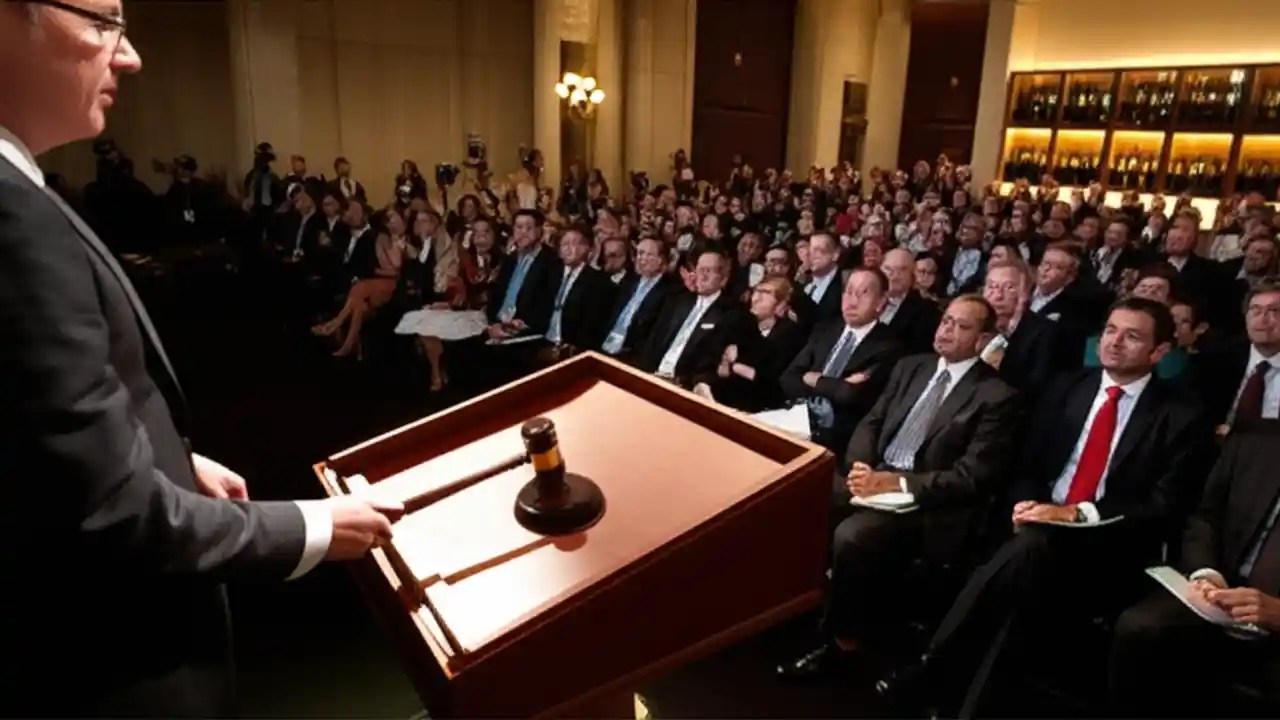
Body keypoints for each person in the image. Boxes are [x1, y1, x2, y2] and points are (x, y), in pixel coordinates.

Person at [0, 2, 400, 715]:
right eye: (103, 21)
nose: (129, 56)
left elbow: (37, 439)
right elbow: (108, 516)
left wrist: (167, 462)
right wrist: (315, 526)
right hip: (110, 668)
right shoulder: (11, 219)